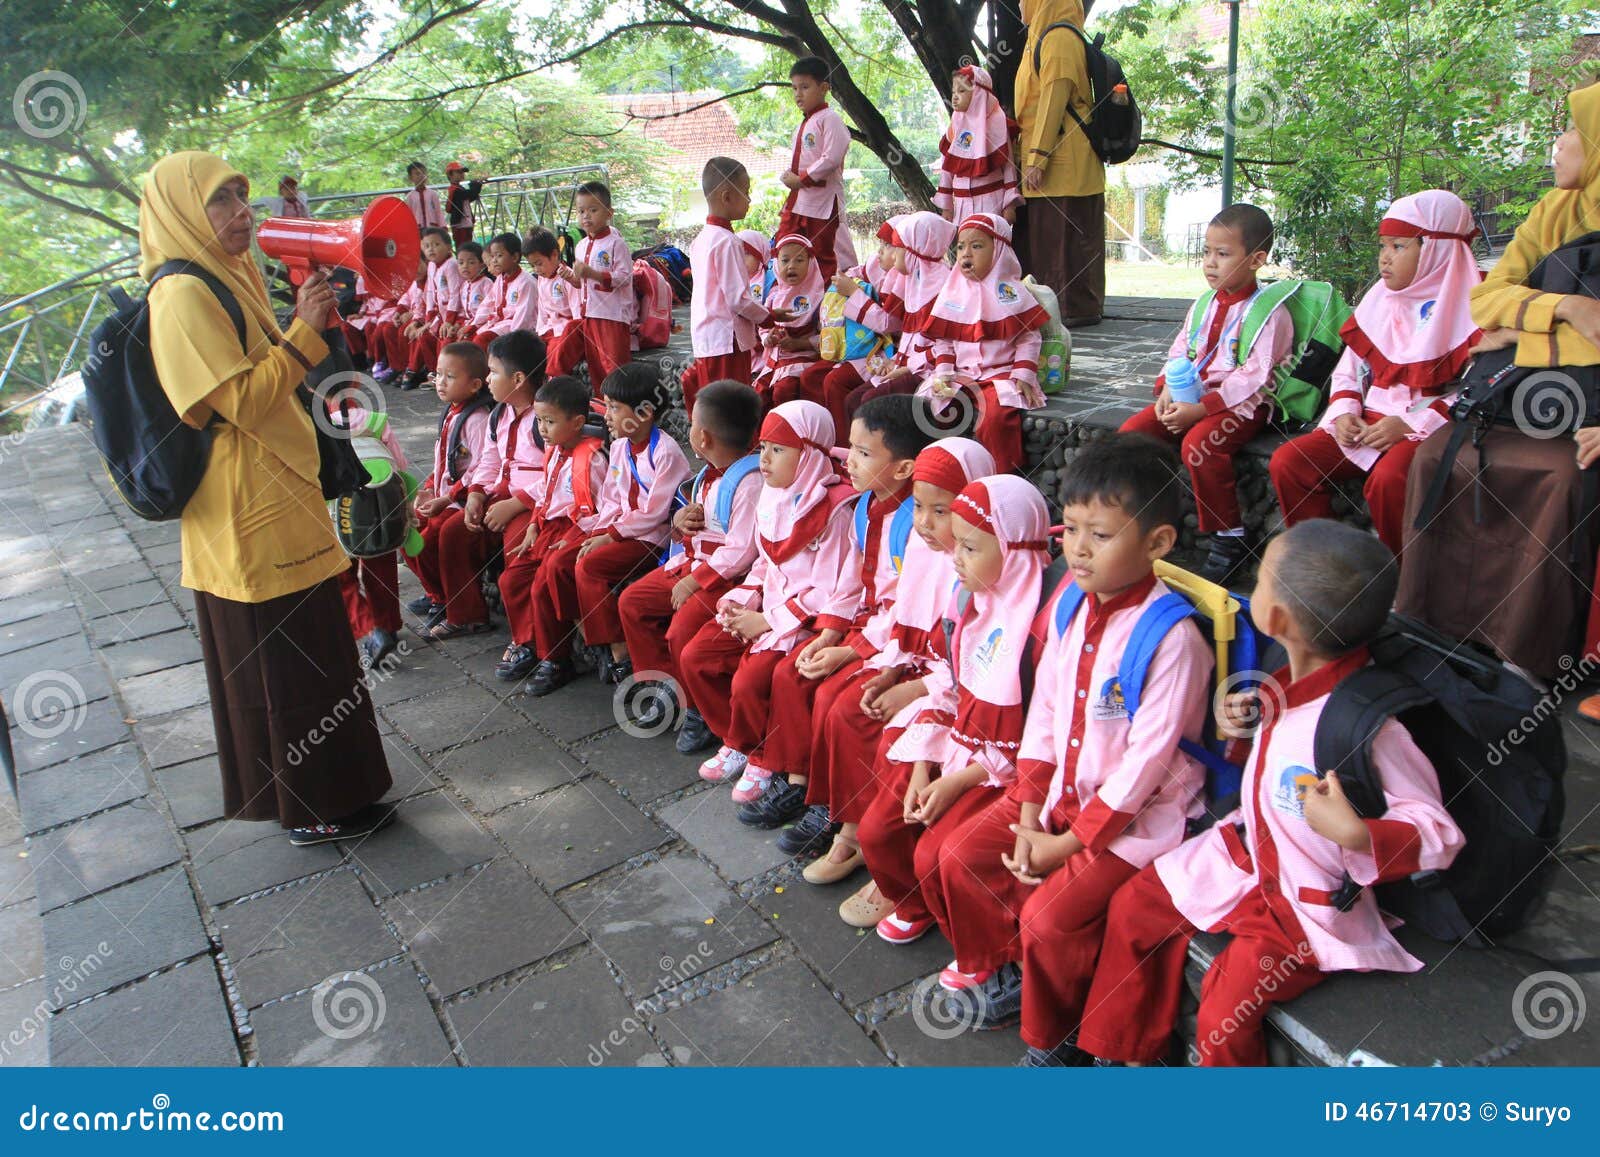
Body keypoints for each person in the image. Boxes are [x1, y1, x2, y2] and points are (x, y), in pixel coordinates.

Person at [1068, 521, 1464, 1067]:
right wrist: (1239, 731)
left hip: (1305, 904)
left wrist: (1358, 834)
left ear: (1275, 619)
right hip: (1248, 855)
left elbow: (1439, 832)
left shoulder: (1368, 727)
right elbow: (1272, 769)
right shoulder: (1283, 678)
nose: (1250, 586)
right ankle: (1126, 1053)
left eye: (1259, 580)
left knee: (1223, 1011)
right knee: (1134, 907)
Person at [141, 150, 392, 846]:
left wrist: (307, 325)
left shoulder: (232, 273)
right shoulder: (180, 295)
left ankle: (341, 792)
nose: (241, 214)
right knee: (283, 665)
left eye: (242, 196)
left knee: (319, 651)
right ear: (182, 212)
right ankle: (309, 804)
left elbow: (273, 365)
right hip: (244, 509)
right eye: (220, 200)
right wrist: (304, 332)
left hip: (280, 491)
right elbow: (243, 402)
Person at [927, 435, 1210, 1028]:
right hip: (1061, 792)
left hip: (1133, 818)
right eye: (1072, 529)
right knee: (959, 856)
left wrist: (1067, 844)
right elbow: (1047, 714)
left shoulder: (1173, 642)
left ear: (1158, 543)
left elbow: (1145, 768)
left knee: (1050, 918)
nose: (1077, 550)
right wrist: (1030, 811)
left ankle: (1054, 1033)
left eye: (1100, 535)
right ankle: (1008, 964)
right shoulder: (1072, 606)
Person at [1399, 82, 1600, 684]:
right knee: (1435, 455)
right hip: (1514, 398)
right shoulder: (1554, 210)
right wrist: (1565, 309)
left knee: (1562, 477)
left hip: (1585, 416)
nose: (1558, 143)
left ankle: (1526, 653)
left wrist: (1520, 329)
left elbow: (1508, 319)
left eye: (1573, 131)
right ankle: (1431, 623)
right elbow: (1486, 300)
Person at [748, 395, 935, 848]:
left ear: (904, 468)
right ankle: (800, 782)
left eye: (864, 453)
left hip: (898, 639)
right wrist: (830, 632)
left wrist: (850, 650)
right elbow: (853, 580)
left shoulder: (916, 524)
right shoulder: (865, 506)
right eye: (851, 447)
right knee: (793, 673)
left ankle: (840, 814)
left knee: (839, 701)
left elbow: (907, 611)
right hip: (864, 624)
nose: (849, 460)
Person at [1271, 192, 1481, 555]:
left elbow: (1476, 388)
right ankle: (1325, 560)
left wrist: (1410, 425)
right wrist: (1344, 413)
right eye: (1383, 245)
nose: (1385, 257)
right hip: (1368, 422)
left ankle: (1402, 573)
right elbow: (1348, 372)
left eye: (1398, 246)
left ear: (1437, 249)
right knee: (1289, 462)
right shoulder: (1378, 300)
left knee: (1389, 481)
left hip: (1429, 428)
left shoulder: (1473, 306)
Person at [846, 438, 996, 930]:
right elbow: (909, 627)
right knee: (850, 707)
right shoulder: (925, 546)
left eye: (941, 510)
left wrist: (910, 690)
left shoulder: (984, 575)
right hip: (933, 681)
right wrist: (892, 672)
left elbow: (962, 672)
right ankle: (857, 841)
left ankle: (898, 878)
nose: (925, 523)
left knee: (890, 749)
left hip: (964, 711)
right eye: (917, 506)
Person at [675, 401, 858, 791]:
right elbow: (766, 561)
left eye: (779, 449)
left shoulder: (834, 509)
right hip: (768, 605)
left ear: (809, 454)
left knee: (753, 677)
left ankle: (763, 755)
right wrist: (742, 600)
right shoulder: (773, 495)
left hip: (803, 619)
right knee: (697, 655)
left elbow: (827, 588)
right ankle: (739, 738)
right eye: (763, 448)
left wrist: (768, 621)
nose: (765, 460)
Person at [1120, 204, 1292, 583]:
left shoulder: (1269, 314)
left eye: (1223, 253)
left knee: (1200, 446)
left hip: (1243, 405)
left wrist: (1201, 410)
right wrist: (1167, 389)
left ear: (1256, 259)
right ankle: (1148, 519)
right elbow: (1181, 350)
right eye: (1207, 252)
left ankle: (1228, 536)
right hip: (1192, 396)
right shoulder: (1204, 304)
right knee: (1133, 434)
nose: (1210, 263)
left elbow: (1256, 376)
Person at [618, 380, 764, 753]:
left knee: (681, 632)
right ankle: (667, 684)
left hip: (725, 580)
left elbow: (742, 551)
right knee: (633, 602)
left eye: (694, 423)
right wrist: (681, 522)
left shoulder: (750, 483)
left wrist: (695, 582)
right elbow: (701, 527)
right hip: (693, 564)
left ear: (702, 437)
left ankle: (701, 711)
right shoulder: (706, 474)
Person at [572, 363, 694, 687]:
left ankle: (617, 649)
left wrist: (611, 536)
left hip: (652, 537)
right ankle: (598, 641)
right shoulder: (620, 447)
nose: (607, 416)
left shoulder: (665, 452)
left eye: (614, 407)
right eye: (607, 406)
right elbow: (613, 498)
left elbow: (654, 513)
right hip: (624, 529)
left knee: (589, 568)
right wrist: (599, 529)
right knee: (570, 555)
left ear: (644, 413)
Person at [922, 213, 1049, 473]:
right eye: (961, 247)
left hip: (1001, 375)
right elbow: (944, 341)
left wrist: (1023, 375)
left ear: (999, 250)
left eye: (977, 246)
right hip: (961, 375)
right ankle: (942, 473)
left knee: (995, 419)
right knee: (929, 408)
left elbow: (1029, 338)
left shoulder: (1012, 293)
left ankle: (1004, 473)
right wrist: (943, 373)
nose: (966, 254)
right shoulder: (951, 293)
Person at [515, 375, 609, 696]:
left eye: (550, 421)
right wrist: (532, 523)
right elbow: (546, 491)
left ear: (577, 422)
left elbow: (601, 510)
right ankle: (528, 643)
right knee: (513, 579)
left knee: (544, 583)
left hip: (578, 529)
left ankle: (556, 660)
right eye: (539, 420)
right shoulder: (554, 451)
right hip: (547, 526)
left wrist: (572, 537)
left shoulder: (592, 460)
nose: (542, 428)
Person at [455, 331, 548, 654]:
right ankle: (463, 613)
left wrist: (516, 504)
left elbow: (558, 473)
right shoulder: (500, 413)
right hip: (500, 495)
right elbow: (490, 459)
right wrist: (477, 493)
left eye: (493, 372)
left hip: (534, 504)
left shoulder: (545, 419)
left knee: (517, 551)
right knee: (453, 532)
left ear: (518, 378)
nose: (487, 379)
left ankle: (528, 640)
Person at [1014, 0, 1105, 326]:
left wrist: (1037, 157)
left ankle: (1072, 311)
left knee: (1065, 246)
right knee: (1046, 244)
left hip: (1064, 165)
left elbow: (1054, 99)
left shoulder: (1060, 38)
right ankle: (1052, 311)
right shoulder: (1040, 37)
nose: (1020, 4)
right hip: (1048, 167)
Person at [830, 213, 957, 434]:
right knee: (853, 399)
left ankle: (880, 453)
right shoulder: (916, 280)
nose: (891, 252)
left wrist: (907, 366)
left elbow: (946, 345)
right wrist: (897, 362)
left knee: (868, 402)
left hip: (927, 371)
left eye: (897, 246)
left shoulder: (941, 286)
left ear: (915, 250)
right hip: (905, 364)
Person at [683, 158, 788, 412]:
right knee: (731, 409)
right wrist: (769, 317)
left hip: (707, 338)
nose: (749, 200)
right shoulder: (727, 241)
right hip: (726, 340)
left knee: (715, 408)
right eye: (746, 192)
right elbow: (737, 299)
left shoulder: (701, 239)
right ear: (727, 196)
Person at [405, 342, 495, 632]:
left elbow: (481, 468)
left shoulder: (478, 420)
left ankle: (461, 610)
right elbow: (443, 460)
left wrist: (447, 497)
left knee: (432, 538)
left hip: (464, 501)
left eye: (450, 376)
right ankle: (438, 595)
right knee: (404, 529)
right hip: (445, 497)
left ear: (475, 385)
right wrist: (430, 488)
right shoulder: (452, 413)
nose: (440, 382)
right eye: (438, 374)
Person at [330, 395, 409, 668]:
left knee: (340, 574)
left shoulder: (317, 423)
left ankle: (367, 627)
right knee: (382, 566)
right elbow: (400, 464)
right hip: (381, 509)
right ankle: (388, 625)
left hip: (338, 514)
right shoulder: (375, 420)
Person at [778, 56, 858, 281]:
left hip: (823, 202)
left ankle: (831, 297)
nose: (798, 94)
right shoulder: (802, 125)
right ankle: (790, 295)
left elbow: (831, 158)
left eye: (805, 87)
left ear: (823, 88)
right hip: (798, 201)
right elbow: (801, 159)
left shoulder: (830, 119)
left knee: (825, 254)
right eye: (794, 88)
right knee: (787, 247)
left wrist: (801, 179)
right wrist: (789, 176)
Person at [552, 181, 634, 390]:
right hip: (589, 315)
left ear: (609, 213)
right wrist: (571, 278)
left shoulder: (616, 243)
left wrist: (593, 274)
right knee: (596, 368)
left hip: (612, 317)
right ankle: (602, 406)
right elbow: (582, 284)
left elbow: (624, 278)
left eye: (593, 210)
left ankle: (623, 405)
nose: (586, 216)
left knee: (615, 370)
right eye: (581, 211)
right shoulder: (581, 245)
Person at [935, 65, 1021, 224]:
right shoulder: (955, 126)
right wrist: (947, 207)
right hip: (961, 206)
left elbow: (1009, 167)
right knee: (964, 239)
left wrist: (1010, 206)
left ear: (978, 94)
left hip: (991, 203)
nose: (955, 97)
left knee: (989, 238)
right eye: (954, 92)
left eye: (962, 91)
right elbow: (947, 167)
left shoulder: (998, 124)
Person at [759, 234, 826, 405]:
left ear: (811, 263)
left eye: (799, 260)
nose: (791, 266)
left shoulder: (820, 299)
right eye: (785, 260)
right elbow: (763, 327)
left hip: (803, 359)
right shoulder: (773, 297)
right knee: (758, 396)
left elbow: (830, 336)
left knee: (783, 392)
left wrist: (800, 343)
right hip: (774, 360)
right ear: (776, 264)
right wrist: (768, 338)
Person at [400, 226, 463, 389]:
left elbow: (455, 294)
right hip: (440, 316)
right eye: (427, 246)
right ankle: (433, 373)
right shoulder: (432, 266)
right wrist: (426, 322)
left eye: (436, 244)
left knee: (445, 339)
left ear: (448, 246)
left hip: (457, 315)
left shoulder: (451, 265)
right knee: (424, 335)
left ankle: (447, 377)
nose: (431, 249)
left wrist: (449, 321)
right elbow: (430, 295)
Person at [463, 232, 537, 350]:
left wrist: (512, 340)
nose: (494, 261)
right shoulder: (500, 279)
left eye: (499, 255)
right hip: (499, 323)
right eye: (492, 256)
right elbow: (488, 304)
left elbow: (524, 316)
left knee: (481, 341)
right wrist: (475, 324)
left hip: (515, 329)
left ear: (514, 257)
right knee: (466, 338)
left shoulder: (526, 282)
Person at [526, 226, 580, 375]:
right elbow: (542, 310)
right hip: (550, 328)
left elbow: (577, 312)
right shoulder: (541, 279)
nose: (536, 269)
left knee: (555, 349)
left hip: (566, 328)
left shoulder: (569, 277)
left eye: (539, 263)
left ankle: (553, 378)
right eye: (532, 265)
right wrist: (538, 333)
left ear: (555, 255)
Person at [449, 241, 491, 341]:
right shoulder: (464, 285)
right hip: (466, 323)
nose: (465, 266)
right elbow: (463, 311)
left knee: (465, 342)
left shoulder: (486, 283)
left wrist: (472, 326)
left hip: (481, 324)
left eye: (471, 262)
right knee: (448, 339)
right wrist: (457, 325)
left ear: (482, 265)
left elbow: (489, 309)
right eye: (461, 263)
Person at [444, 160, 483, 248]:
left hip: (465, 223)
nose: (462, 174)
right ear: (450, 175)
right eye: (458, 172)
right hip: (460, 225)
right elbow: (470, 194)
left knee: (466, 246)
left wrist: (476, 186)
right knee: (463, 247)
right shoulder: (455, 190)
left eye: (462, 172)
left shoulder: (458, 188)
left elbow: (468, 197)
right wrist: (476, 184)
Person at [404, 159, 446, 230]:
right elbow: (409, 215)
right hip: (418, 228)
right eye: (417, 174)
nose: (421, 176)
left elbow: (438, 211)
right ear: (410, 177)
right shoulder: (410, 196)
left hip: (432, 227)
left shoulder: (433, 194)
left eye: (423, 173)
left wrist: (443, 226)